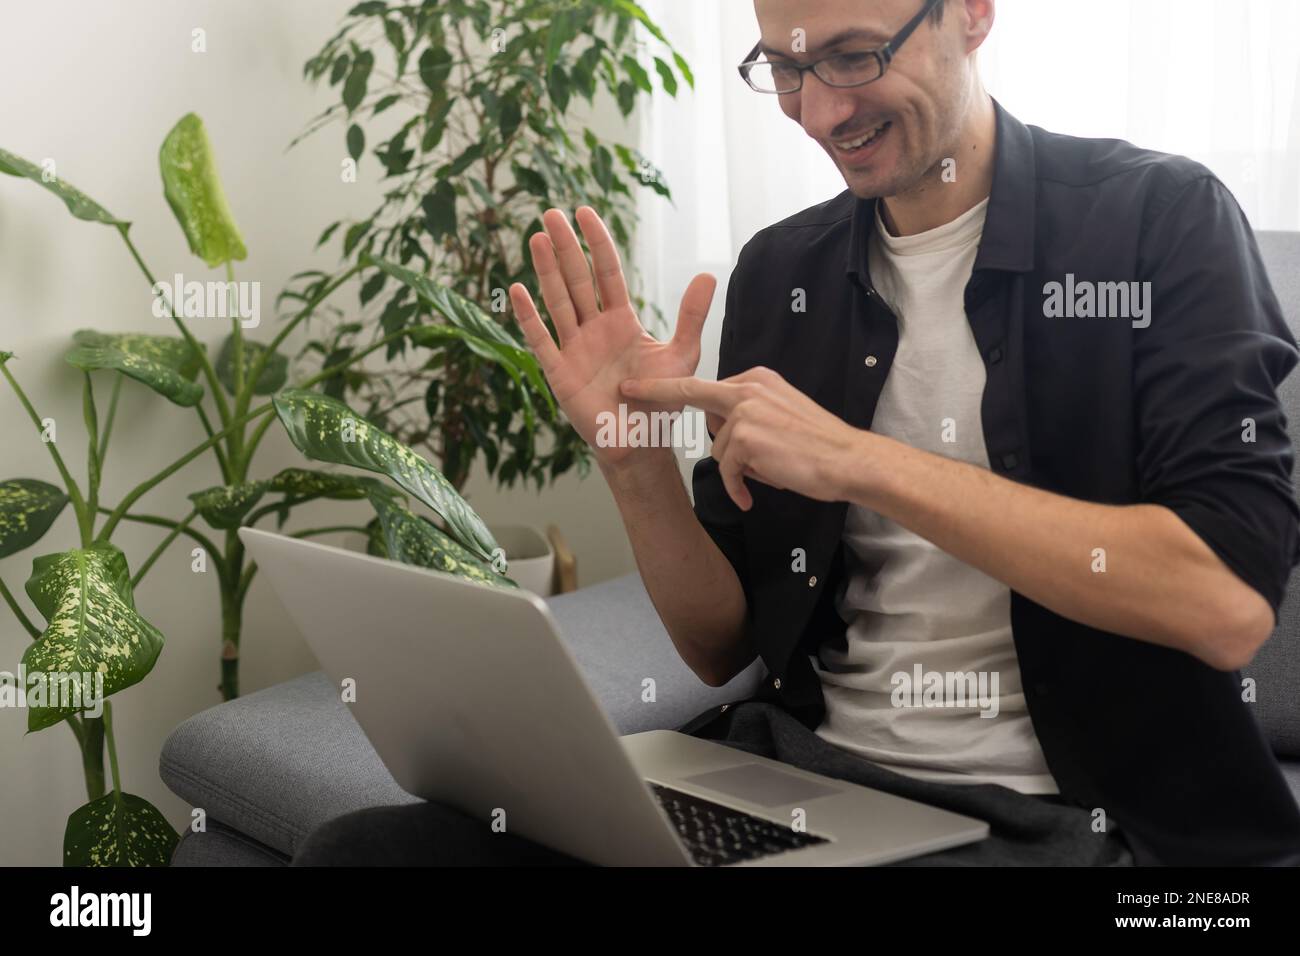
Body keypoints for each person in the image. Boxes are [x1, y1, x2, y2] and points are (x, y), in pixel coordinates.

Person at [295, 0, 1300, 866]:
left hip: (1066, 820)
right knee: (365, 851)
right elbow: (716, 639)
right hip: (804, 780)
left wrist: (861, 459)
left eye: (856, 54)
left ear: (974, 13)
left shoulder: (1159, 221)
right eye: (785, 66)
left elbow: (1222, 601)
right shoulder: (784, 272)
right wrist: (630, 458)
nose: (820, 112)